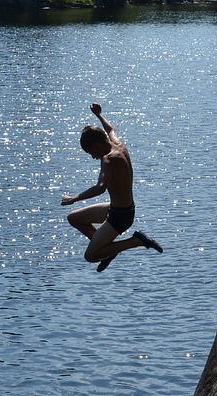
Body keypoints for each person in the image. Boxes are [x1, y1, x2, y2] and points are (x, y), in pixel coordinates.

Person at [61, 103, 162, 271]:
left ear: (95, 146)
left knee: (90, 256)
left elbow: (100, 187)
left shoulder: (108, 160)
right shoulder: (118, 144)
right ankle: (108, 251)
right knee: (74, 218)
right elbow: (110, 129)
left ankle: (134, 241)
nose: (92, 156)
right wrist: (99, 115)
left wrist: (75, 198)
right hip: (118, 208)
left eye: (90, 152)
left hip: (120, 217)